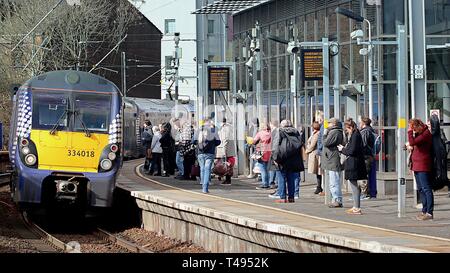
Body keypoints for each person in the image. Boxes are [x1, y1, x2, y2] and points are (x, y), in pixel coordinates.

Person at [338, 118, 367, 215]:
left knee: (354, 186)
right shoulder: (355, 134)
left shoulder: (355, 135)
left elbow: (352, 151)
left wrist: (342, 149)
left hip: (354, 164)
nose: (346, 131)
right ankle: (355, 206)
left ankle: (357, 208)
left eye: (347, 129)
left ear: (350, 127)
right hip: (354, 163)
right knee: (354, 186)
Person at [271, 120, 304, 203]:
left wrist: (275, 158)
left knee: (281, 177)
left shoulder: (280, 131)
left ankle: (282, 197)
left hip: (282, 158)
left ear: (282, 125)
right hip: (293, 158)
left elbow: (275, 145)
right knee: (291, 178)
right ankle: (291, 197)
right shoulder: (296, 132)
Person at [408, 118, 433, 221]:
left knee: (426, 188)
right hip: (417, 165)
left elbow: (412, 142)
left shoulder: (426, 133)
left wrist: (409, 132)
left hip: (423, 165)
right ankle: (424, 210)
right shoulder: (420, 134)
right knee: (421, 189)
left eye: (413, 127)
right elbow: (414, 144)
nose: (412, 130)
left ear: (418, 126)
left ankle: (429, 212)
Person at [193, 118, 221, 194]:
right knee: (207, 169)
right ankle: (205, 188)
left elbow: (193, 141)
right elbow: (218, 142)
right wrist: (212, 144)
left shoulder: (198, 131)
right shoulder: (213, 131)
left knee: (202, 168)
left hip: (200, 153)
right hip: (210, 153)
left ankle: (202, 182)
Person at [322, 117, 344, 208]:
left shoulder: (335, 132)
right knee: (333, 180)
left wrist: (324, 135)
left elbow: (326, 143)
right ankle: (335, 199)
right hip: (331, 158)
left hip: (333, 159)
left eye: (329, 123)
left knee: (334, 181)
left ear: (333, 124)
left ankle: (337, 199)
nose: (327, 125)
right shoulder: (335, 131)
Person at [359, 117, 377, 199]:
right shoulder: (371, 130)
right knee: (369, 175)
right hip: (370, 156)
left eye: (360, 122)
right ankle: (371, 193)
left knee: (363, 175)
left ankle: (365, 194)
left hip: (366, 156)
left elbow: (363, 144)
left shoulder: (365, 131)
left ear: (363, 123)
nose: (359, 124)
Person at [215, 118, 236, 185]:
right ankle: (226, 179)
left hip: (227, 151)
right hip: (228, 150)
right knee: (227, 165)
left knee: (227, 165)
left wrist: (224, 152)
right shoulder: (227, 128)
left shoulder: (225, 129)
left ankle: (228, 180)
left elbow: (225, 140)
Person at [253, 122, 272, 190]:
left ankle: (264, 184)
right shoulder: (271, 133)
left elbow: (254, 141)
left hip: (262, 152)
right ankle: (270, 183)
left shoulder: (260, 133)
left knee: (263, 169)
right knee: (268, 169)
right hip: (270, 152)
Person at [306, 121, 322, 194]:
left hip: (315, 154)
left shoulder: (316, 134)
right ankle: (319, 186)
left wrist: (306, 151)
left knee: (318, 171)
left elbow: (312, 145)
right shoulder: (314, 133)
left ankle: (319, 187)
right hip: (314, 154)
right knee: (317, 171)